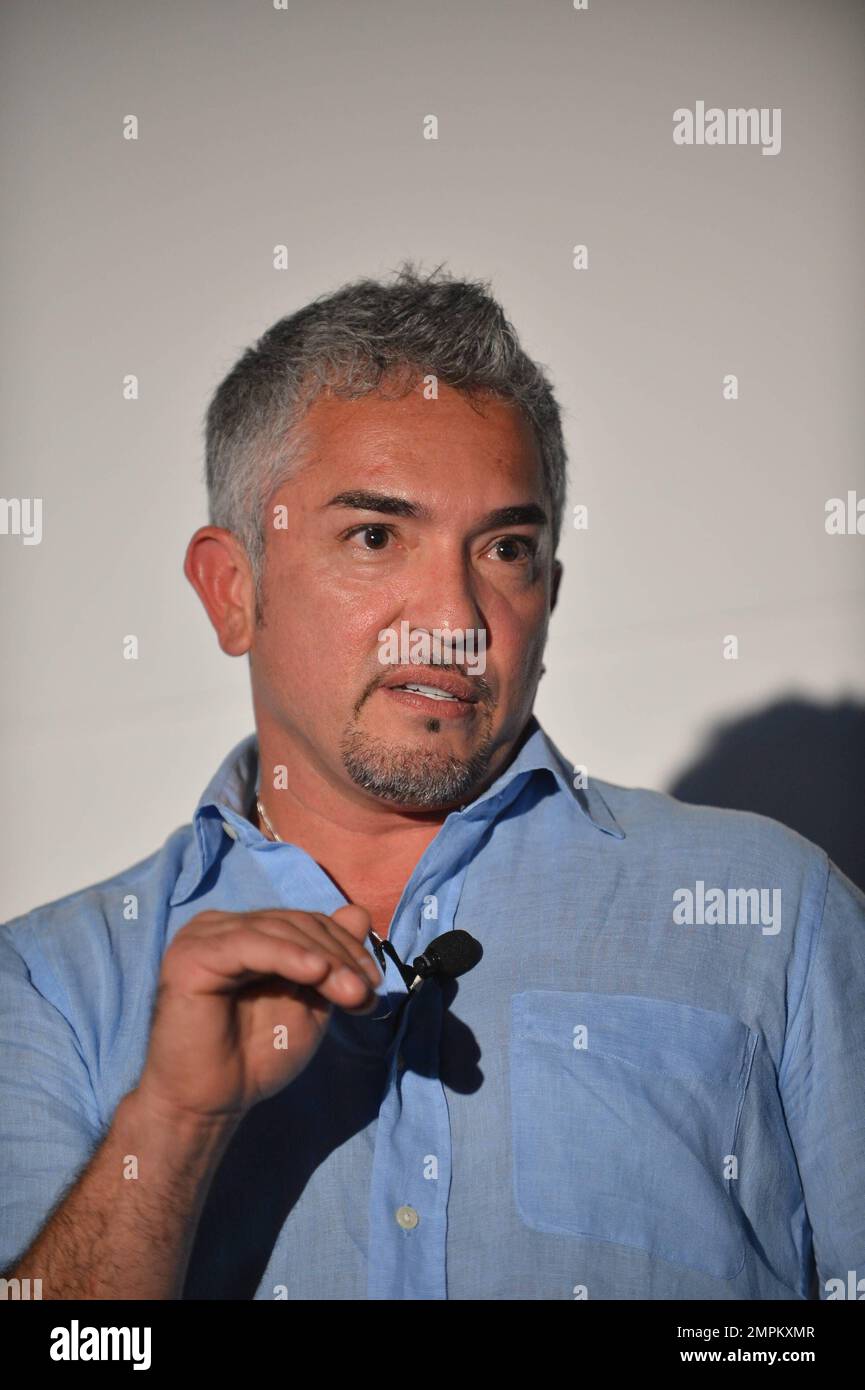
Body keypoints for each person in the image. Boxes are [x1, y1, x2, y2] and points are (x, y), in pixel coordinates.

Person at [1, 264, 863, 1301]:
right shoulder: (51, 985)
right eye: (375, 536)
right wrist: (172, 1123)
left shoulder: (778, 913)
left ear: (548, 588)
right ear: (234, 590)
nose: (452, 616)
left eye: (504, 548)